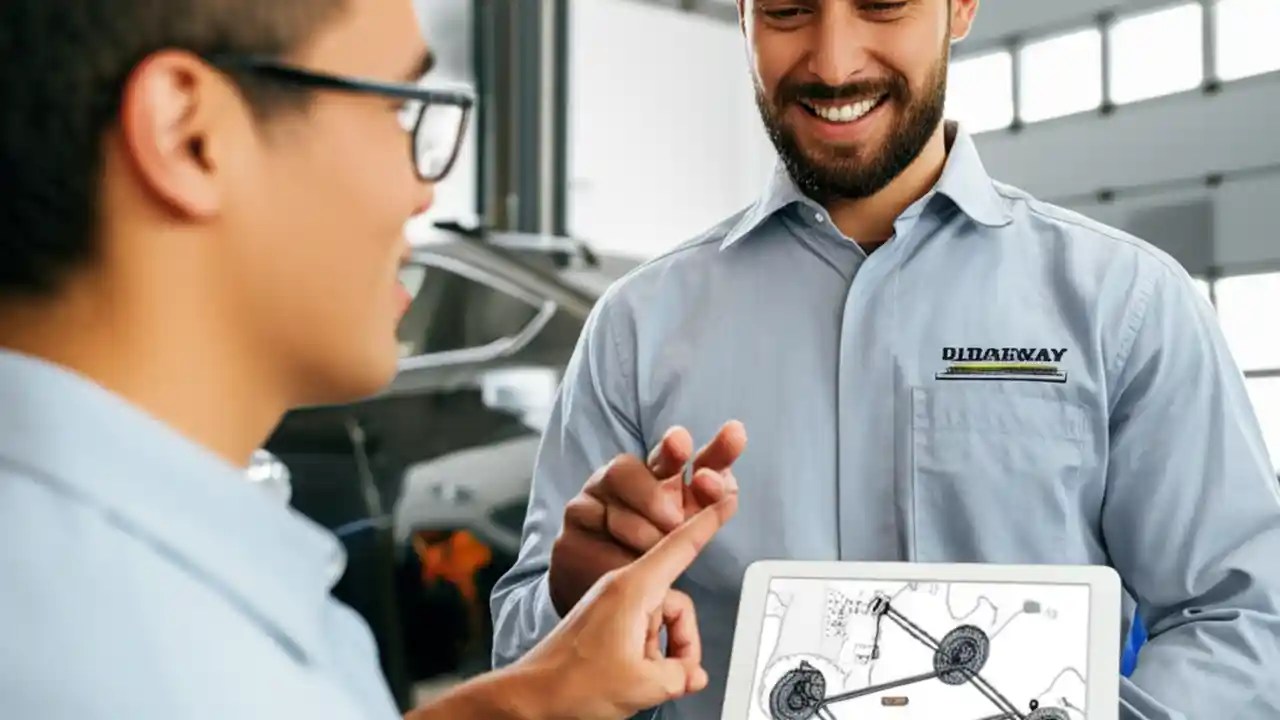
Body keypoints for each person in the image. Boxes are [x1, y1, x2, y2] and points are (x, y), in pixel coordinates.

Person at [491, 1, 1280, 718]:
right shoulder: (635, 329)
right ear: (743, 15)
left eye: (883, 5)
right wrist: (577, 603)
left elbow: (1239, 615)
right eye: (788, 11)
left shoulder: (1126, 306)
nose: (834, 63)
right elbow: (523, 658)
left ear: (960, 8)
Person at [0, 1, 740, 718]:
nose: (424, 191)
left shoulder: (110, 600)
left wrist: (531, 698)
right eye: (396, 108)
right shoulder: (154, 658)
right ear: (189, 135)